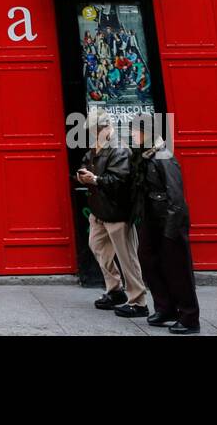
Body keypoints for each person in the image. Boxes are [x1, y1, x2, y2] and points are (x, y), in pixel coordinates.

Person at [129, 112, 200, 334]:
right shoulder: (145, 155)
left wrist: (171, 230)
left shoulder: (164, 156)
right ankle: (165, 308)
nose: (132, 135)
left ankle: (189, 317)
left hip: (169, 220)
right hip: (151, 218)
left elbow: (176, 196)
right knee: (147, 259)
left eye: (135, 130)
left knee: (177, 268)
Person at [76, 110, 148, 318]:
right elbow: (85, 164)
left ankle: (138, 301)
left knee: (127, 257)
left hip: (118, 213)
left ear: (107, 127)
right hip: (99, 210)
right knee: (99, 248)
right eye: (91, 130)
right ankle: (115, 289)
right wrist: (83, 176)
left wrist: (95, 179)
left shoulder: (119, 150)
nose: (94, 133)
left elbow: (118, 181)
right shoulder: (96, 148)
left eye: (97, 129)